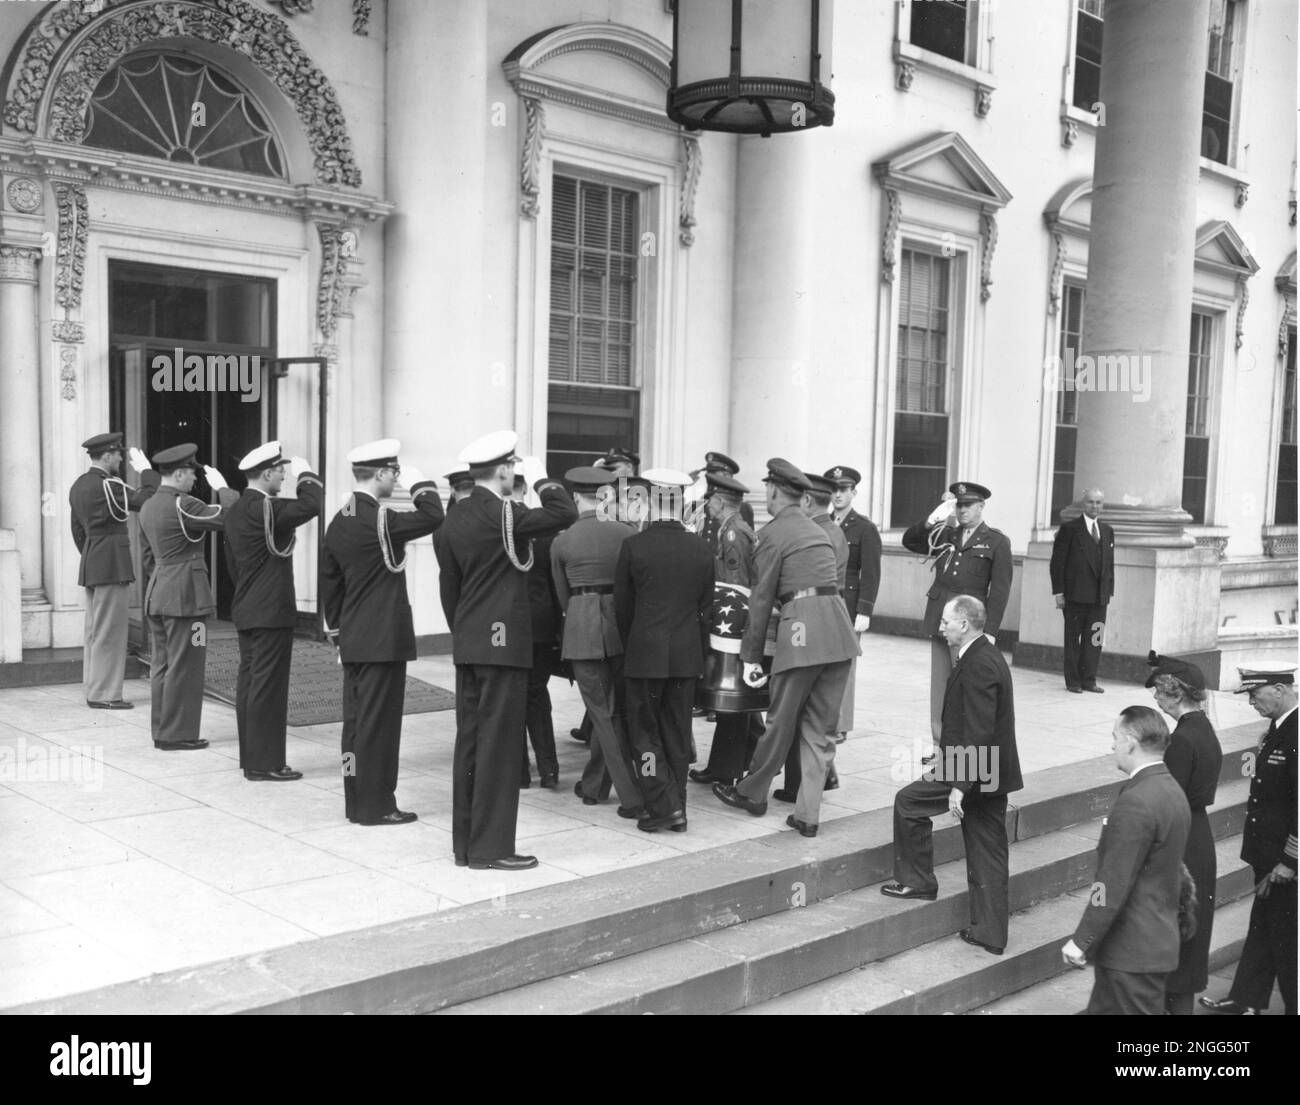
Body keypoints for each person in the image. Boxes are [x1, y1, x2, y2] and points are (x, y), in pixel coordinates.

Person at [436, 431, 577, 869]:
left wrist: (465, 634)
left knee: (472, 745)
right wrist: (542, 480)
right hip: (503, 645)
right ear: (503, 470)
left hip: (472, 643)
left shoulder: (453, 519)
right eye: (513, 466)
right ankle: (492, 848)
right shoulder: (506, 515)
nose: (514, 471)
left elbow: (450, 589)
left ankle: (466, 845)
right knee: (499, 747)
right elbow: (563, 512)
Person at [713, 459, 859, 838]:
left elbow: (761, 600)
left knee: (780, 719)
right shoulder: (819, 530)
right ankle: (807, 815)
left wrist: (749, 657)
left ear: (774, 492)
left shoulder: (774, 534)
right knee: (820, 730)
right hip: (839, 631)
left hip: (802, 632)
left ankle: (752, 792)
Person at [881, 596, 1023, 956]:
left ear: (964, 624)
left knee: (908, 803)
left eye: (945, 622)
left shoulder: (978, 664)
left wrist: (959, 785)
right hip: (985, 770)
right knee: (988, 851)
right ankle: (990, 934)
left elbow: (978, 727)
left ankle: (917, 881)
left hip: (971, 767)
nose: (940, 627)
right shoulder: (984, 656)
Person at [321, 439, 443, 825]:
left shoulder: (340, 518)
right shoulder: (380, 519)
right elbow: (432, 516)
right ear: (379, 474)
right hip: (383, 640)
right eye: (394, 472)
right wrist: (423, 485)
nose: (396, 477)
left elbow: (330, 584)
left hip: (355, 638)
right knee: (380, 728)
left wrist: (339, 633)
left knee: (356, 727)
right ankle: (377, 806)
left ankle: (356, 803)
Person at [1062, 706, 1191, 1014]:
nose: (1112, 746)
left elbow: (1110, 883)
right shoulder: (1171, 789)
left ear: (1131, 741)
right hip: (1152, 943)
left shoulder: (1136, 799)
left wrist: (1082, 940)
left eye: (1115, 737)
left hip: (1131, 952)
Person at [615, 469, 715, 833]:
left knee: (643, 735)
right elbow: (707, 608)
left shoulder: (634, 546)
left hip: (645, 653)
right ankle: (679, 805)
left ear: (651, 501)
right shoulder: (702, 548)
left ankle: (665, 804)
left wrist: (635, 645)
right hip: (686, 655)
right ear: (682, 502)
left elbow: (622, 609)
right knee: (677, 732)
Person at [222, 442, 323, 782]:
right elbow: (313, 504)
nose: (284, 474)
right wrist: (307, 474)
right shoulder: (267, 509)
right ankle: (265, 764)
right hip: (271, 611)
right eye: (281, 469)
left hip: (247, 607)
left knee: (250, 684)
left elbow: (233, 566)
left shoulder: (235, 510)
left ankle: (252, 758)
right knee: (268, 688)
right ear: (266, 473)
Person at [1201, 664, 1297, 1015]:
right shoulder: (1279, 728)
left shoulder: (1296, 733)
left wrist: (1290, 861)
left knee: (1287, 940)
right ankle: (1246, 999)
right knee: (1264, 928)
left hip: (1283, 861)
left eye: (1255, 695)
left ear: (1279, 689)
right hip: (1268, 854)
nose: (1251, 702)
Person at [551, 466, 642, 814]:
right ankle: (593, 785)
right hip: (620, 625)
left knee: (602, 715)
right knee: (615, 710)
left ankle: (631, 796)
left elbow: (563, 596)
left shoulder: (562, 540)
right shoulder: (626, 532)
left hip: (582, 624)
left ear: (576, 498)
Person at [137, 444, 239, 750]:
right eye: (192, 473)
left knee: (162, 665)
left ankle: (162, 729)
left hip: (159, 591)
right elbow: (229, 520)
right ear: (179, 473)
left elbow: (146, 555)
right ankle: (178, 734)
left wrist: (166, 577)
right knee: (187, 665)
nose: (195, 479)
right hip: (186, 597)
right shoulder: (185, 504)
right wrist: (223, 490)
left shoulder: (149, 505)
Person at [902, 482, 1012, 753]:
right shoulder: (946, 534)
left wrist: (991, 631)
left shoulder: (997, 541)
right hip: (941, 622)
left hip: (969, 627)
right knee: (940, 688)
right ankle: (941, 748)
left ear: (981, 506)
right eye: (959, 505)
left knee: (966, 688)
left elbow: (999, 590)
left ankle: (961, 750)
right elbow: (910, 541)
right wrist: (931, 520)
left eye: (968, 505)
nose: (962, 511)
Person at [1145, 652, 1222, 1014]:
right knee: (1188, 951)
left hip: (1182, 844)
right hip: (1199, 837)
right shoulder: (1203, 729)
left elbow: (1167, 800)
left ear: (1176, 694)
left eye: (1160, 691)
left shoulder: (1181, 740)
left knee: (1172, 948)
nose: (1156, 698)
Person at [68, 432, 159, 710]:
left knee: (95, 631)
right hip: (112, 565)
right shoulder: (109, 485)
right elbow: (146, 499)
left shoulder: (78, 485)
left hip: (94, 562)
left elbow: (77, 530)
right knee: (110, 631)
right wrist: (146, 472)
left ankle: (94, 687)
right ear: (106, 456)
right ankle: (105, 694)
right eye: (118, 454)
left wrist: (92, 555)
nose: (121, 458)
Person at [688, 471, 764, 788]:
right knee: (742, 701)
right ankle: (744, 760)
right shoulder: (733, 528)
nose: (707, 505)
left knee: (733, 697)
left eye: (710, 500)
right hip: (736, 621)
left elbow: (736, 585)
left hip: (732, 626)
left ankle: (726, 767)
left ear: (719, 501)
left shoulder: (733, 533)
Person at [773, 471, 846, 802]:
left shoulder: (823, 533)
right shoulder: (826, 531)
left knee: (799, 712)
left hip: (812, 628)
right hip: (831, 632)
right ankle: (806, 791)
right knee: (815, 721)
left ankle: (800, 783)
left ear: (805, 500)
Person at [511, 475, 561, 790]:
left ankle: (519, 772)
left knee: (513, 697)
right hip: (542, 625)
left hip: (511, 626)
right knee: (538, 696)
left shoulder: (498, 528)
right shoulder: (546, 532)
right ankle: (549, 768)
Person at [826, 465, 881, 742]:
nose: (837, 494)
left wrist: (865, 610)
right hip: (823, 602)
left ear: (853, 492)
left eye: (843, 489)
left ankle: (840, 724)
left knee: (845, 666)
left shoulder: (865, 528)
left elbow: (871, 573)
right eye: (833, 489)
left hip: (848, 604)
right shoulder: (820, 523)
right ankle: (824, 717)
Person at [1049, 487, 1115, 693]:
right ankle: (1074, 681)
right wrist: (1059, 593)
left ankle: (1089, 679)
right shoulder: (1069, 529)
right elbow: (1057, 563)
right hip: (1075, 597)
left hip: (1099, 599)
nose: (1094, 506)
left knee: (1095, 639)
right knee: (1073, 640)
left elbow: (1109, 565)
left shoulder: (1107, 531)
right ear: (1082, 504)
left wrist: (1108, 592)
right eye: (1090, 502)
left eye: (1098, 502)